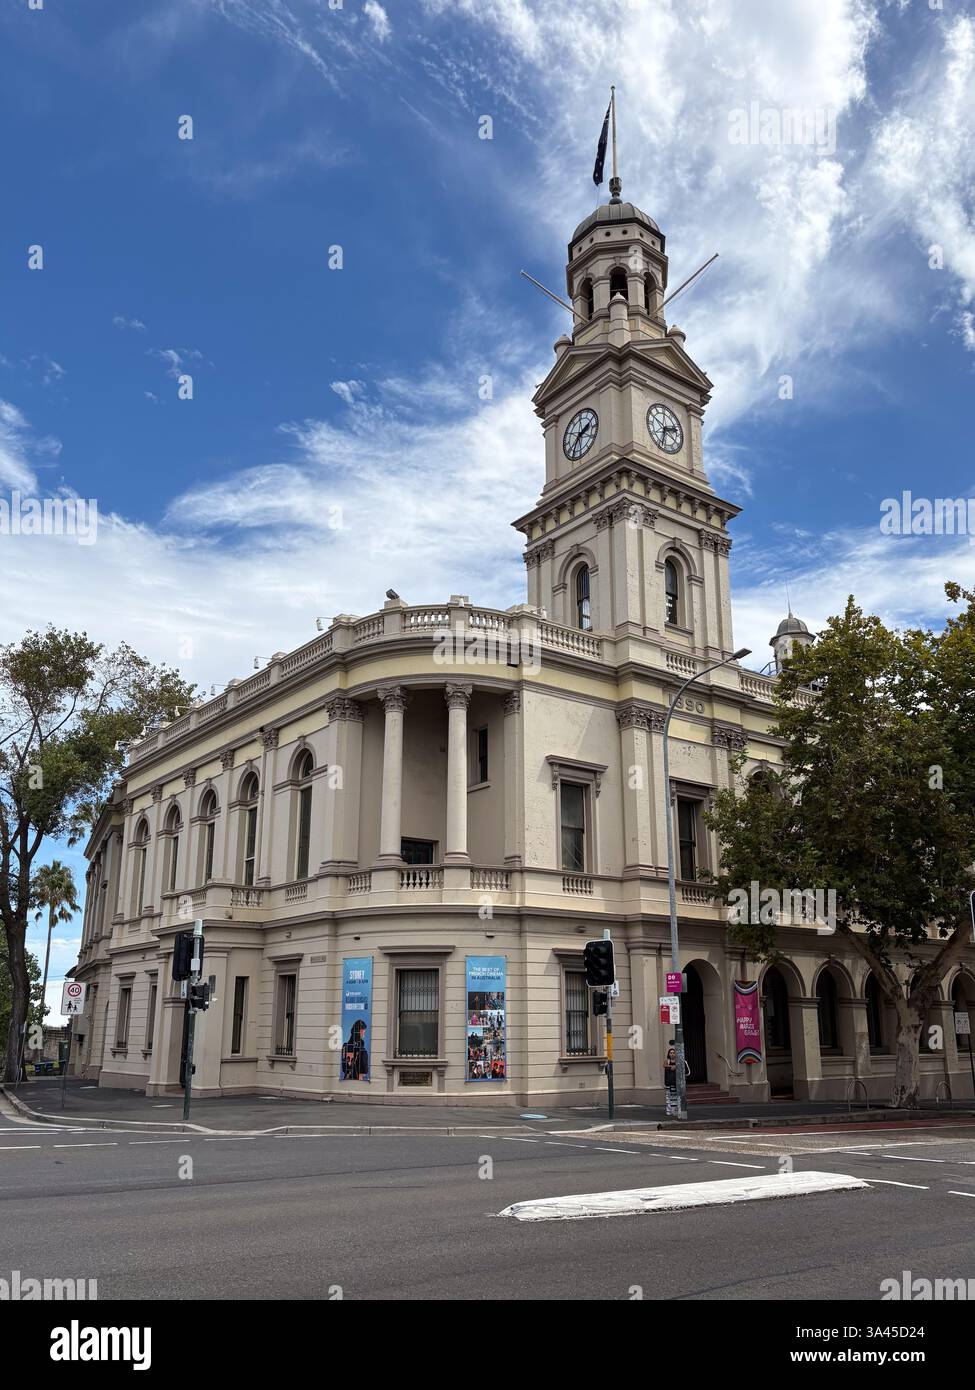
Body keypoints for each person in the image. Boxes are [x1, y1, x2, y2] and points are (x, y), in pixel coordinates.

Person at [663, 1039, 689, 1116]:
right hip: (669, 1081)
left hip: (677, 1082)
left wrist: (676, 1066)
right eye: (671, 1053)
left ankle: (676, 1111)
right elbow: (664, 1066)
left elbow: (683, 1068)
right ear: (669, 1054)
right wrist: (672, 1066)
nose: (672, 1054)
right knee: (669, 1097)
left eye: (673, 1053)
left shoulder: (679, 1061)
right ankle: (669, 1111)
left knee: (676, 1097)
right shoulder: (667, 1061)